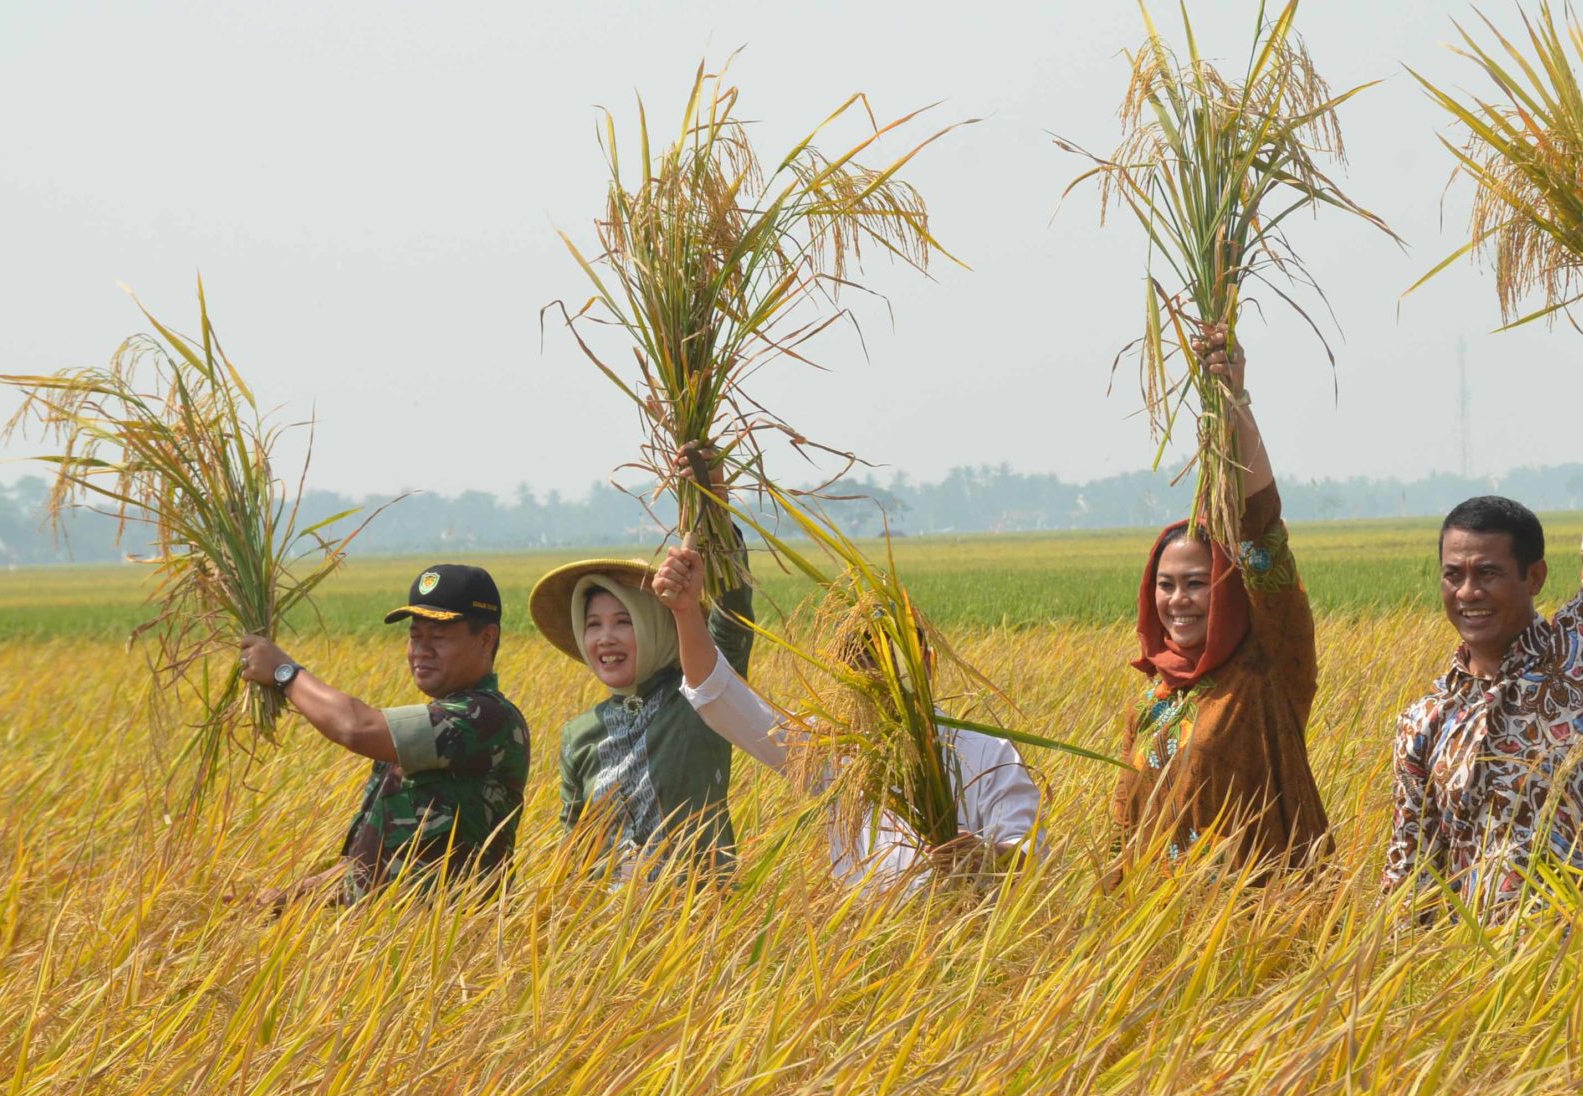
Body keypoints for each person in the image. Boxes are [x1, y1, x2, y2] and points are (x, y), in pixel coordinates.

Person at [1381, 313, 1583, 931]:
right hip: (1495, 979)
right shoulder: (1426, 723)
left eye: (1488, 573)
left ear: (1535, 577)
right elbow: (1410, 875)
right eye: (1453, 575)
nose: (1468, 592)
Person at [650, 539, 1043, 888]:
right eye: (860, 658)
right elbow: (720, 698)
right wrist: (686, 612)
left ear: (925, 661)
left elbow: (1029, 856)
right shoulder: (832, 751)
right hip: (865, 940)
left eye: (890, 655)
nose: (875, 672)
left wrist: (982, 856)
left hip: (962, 934)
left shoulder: (987, 752)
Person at [1107, 324, 1329, 885]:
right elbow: (1123, 832)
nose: (1177, 600)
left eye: (1196, 583)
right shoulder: (1152, 701)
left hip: (1264, 921)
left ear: (1229, 587)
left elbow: (1260, 530)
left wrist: (1234, 401)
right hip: (1158, 927)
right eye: (1165, 585)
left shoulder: (1267, 670)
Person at [239, 562, 529, 906]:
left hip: (451, 936)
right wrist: (288, 899)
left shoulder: (487, 718)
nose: (421, 649)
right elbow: (367, 868)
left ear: (486, 638)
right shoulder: (424, 736)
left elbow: (357, 728)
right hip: (384, 934)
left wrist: (284, 673)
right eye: (415, 636)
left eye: (438, 637)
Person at [528, 549, 754, 884]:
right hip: (609, 915)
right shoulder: (580, 734)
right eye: (593, 625)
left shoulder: (699, 699)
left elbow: (731, 627)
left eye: (624, 621)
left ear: (656, 625)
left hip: (701, 911)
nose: (605, 638)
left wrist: (720, 533)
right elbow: (573, 850)